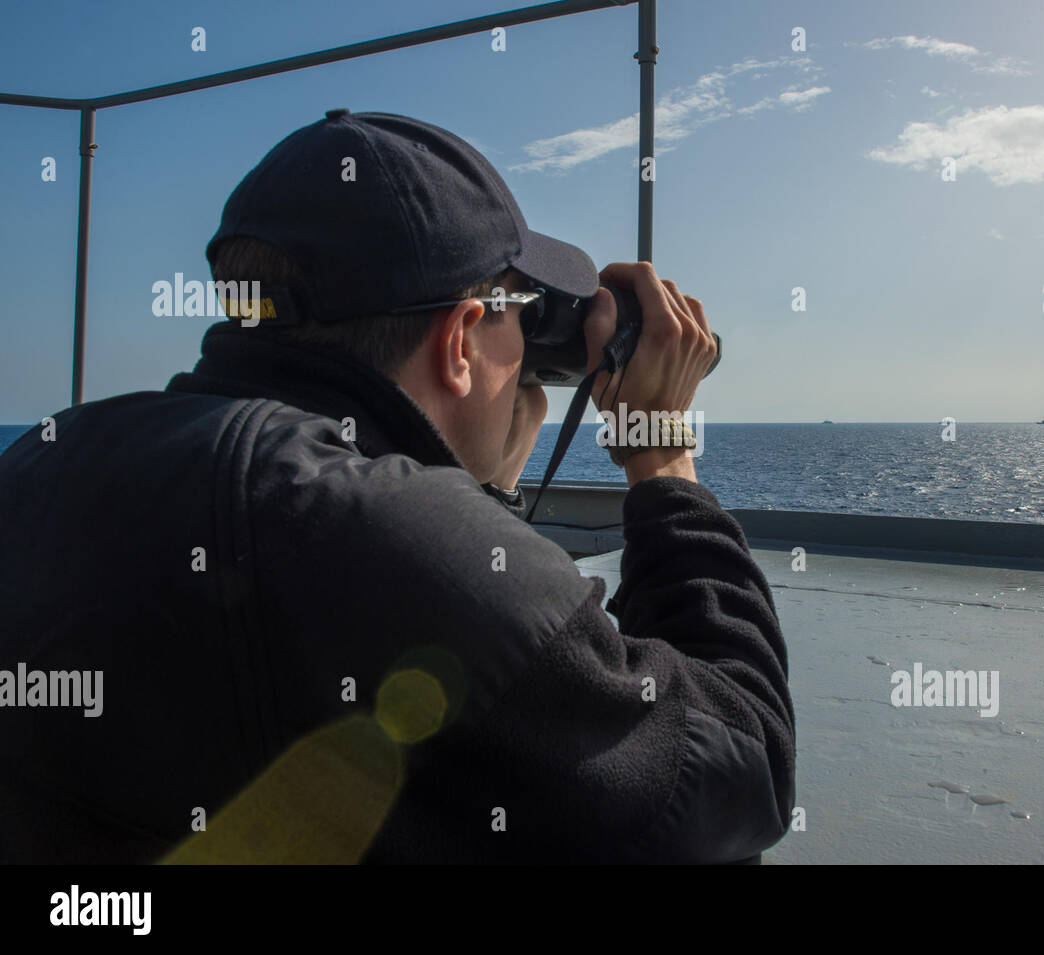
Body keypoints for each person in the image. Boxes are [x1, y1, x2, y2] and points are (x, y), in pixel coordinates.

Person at [0, 110, 795, 864]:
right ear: (458, 341)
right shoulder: (415, 548)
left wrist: (475, 494)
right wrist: (659, 455)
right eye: (519, 313)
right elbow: (743, 762)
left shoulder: (40, 462)